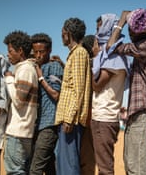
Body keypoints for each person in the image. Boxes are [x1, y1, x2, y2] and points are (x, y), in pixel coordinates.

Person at [106, 8, 146, 174]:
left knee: (136, 167)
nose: (129, 32)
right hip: (136, 114)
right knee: (131, 165)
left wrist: (120, 23)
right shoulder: (144, 47)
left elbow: (111, 46)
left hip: (143, 113)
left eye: (130, 29)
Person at [90, 13, 130, 175]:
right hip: (101, 117)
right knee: (103, 165)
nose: (97, 32)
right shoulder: (106, 56)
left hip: (104, 117)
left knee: (105, 168)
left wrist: (93, 58)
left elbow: (97, 85)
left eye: (100, 27)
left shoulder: (113, 57)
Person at [54, 17, 91, 175]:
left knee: (69, 165)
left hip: (71, 119)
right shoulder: (75, 55)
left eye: (63, 32)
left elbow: (78, 89)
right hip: (69, 117)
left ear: (67, 34)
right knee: (62, 161)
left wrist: (69, 118)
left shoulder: (79, 54)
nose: (61, 35)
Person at [3, 30, 38, 174]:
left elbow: (18, 101)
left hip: (17, 133)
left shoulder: (25, 70)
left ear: (20, 51)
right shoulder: (28, 69)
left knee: (15, 171)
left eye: (10, 51)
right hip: (24, 132)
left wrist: (9, 80)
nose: (8, 54)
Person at [29, 33, 63, 175]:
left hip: (49, 125)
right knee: (49, 168)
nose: (38, 55)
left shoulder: (54, 67)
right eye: (35, 52)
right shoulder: (36, 67)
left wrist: (41, 77)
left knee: (35, 169)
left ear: (49, 51)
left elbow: (56, 95)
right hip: (39, 125)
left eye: (41, 52)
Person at [80, 34, 99, 175]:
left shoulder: (90, 65)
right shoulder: (97, 65)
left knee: (86, 158)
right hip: (93, 118)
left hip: (88, 119)